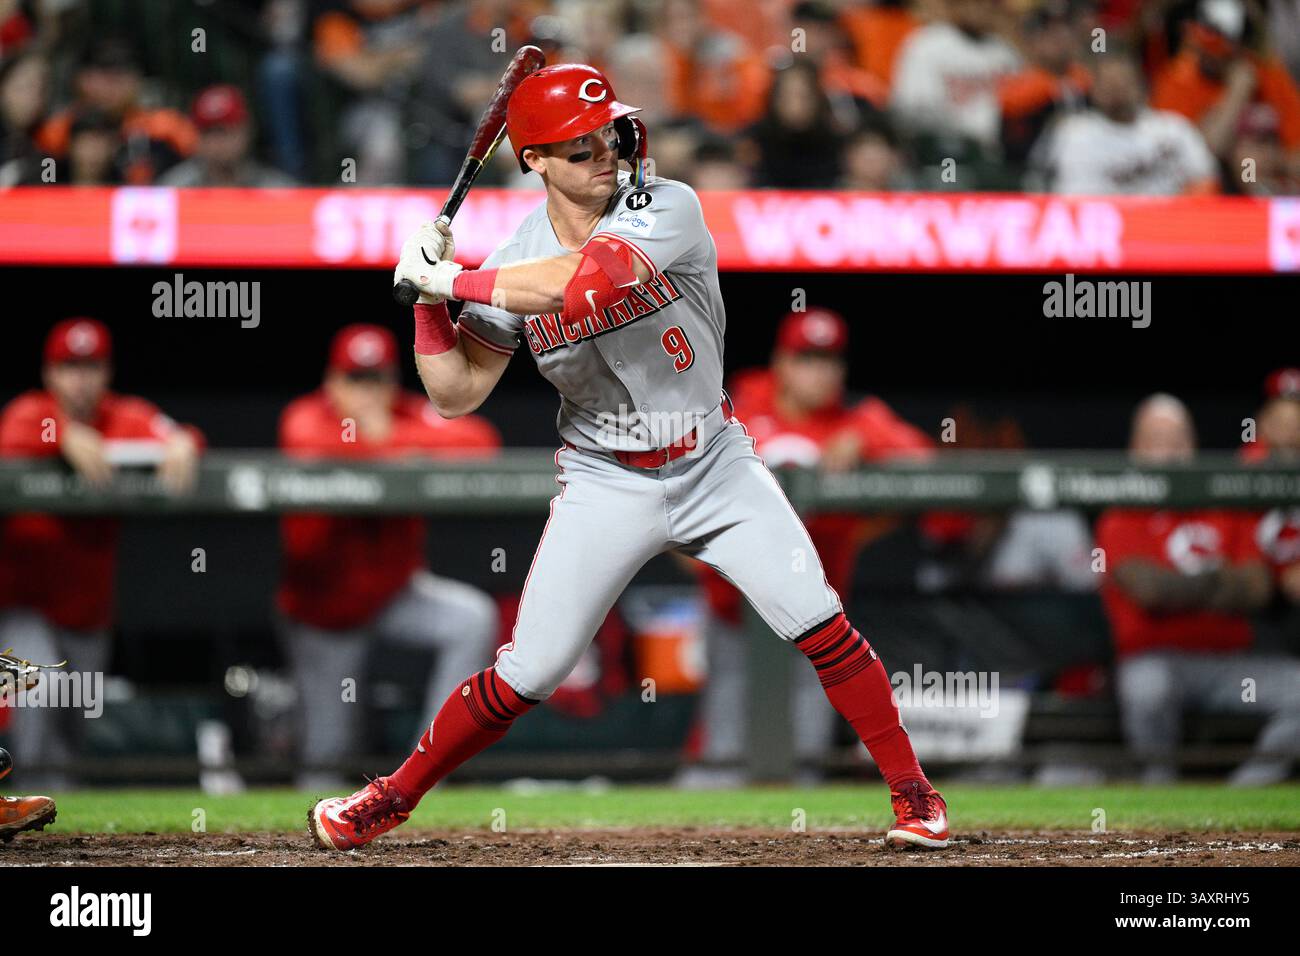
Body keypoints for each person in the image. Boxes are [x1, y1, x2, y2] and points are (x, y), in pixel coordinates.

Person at [310, 62, 950, 852]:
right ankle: (389, 798)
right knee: (529, 672)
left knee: (816, 618)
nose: (604, 153)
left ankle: (915, 797)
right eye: (578, 148)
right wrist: (430, 305)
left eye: (606, 135)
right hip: (605, 476)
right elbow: (455, 394)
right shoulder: (513, 255)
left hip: (713, 458)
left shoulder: (665, 204)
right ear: (535, 161)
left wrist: (455, 276)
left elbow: (588, 284)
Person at [678, 307, 933, 787]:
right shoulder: (742, 404)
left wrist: (863, 439)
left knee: (806, 760)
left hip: (815, 623)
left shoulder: (855, 421)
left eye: (829, 361)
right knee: (723, 757)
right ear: (781, 363)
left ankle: (796, 853)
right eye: (806, 359)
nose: (820, 373)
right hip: (736, 614)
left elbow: (924, 461)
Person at [278, 324, 501, 789]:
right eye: (355, 380)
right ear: (332, 382)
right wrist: (381, 443)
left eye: (376, 380)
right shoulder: (308, 415)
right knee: (326, 754)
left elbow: (480, 441)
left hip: (396, 594)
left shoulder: (405, 414)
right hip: (325, 612)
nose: (366, 393)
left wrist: (389, 438)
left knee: (472, 617)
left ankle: (428, 768)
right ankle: (306, 848)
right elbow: (303, 442)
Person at [0, 319, 203, 788]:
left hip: (87, 613)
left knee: (74, 723)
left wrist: (182, 441)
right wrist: (61, 436)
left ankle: (60, 817)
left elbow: (177, 432)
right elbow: (13, 432)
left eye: (90, 367)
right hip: (25, 605)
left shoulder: (122, 415)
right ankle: (25, 797)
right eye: (69, 367)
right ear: (50, 372)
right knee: (37, 686)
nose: (80, 378)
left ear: (106, 371)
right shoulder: (32, 412)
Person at [1095, 393, 1298, 786]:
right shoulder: (1121, 513)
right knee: (1147, 688)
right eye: (1157, 440)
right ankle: (1161, 792)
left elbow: (1257, 588)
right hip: (1155, 661)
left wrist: (1182, 587)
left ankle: (1246, 793)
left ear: (1193, 447)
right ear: (1136, 450)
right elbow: (1149, 591)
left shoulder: (1222, 502)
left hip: (1229, 663)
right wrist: (1220, 579)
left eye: (1179, 440)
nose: (1170, 452)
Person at [1039, 52, 1220, 195]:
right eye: (1109, 84)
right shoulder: (1076, 134)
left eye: (1124, 81)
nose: (1118, 91)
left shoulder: (1173, 128)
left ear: (1140, 85)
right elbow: (1078, 203)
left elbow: (1205, 180)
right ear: (1094, 90)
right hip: (1111, 231)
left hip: (1172, 227)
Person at [157, 85, 296, 188]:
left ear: (245, 131)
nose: (218, 142)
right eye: (208, 132)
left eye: (224, 131)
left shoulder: (276, 191)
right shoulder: (174, 189)